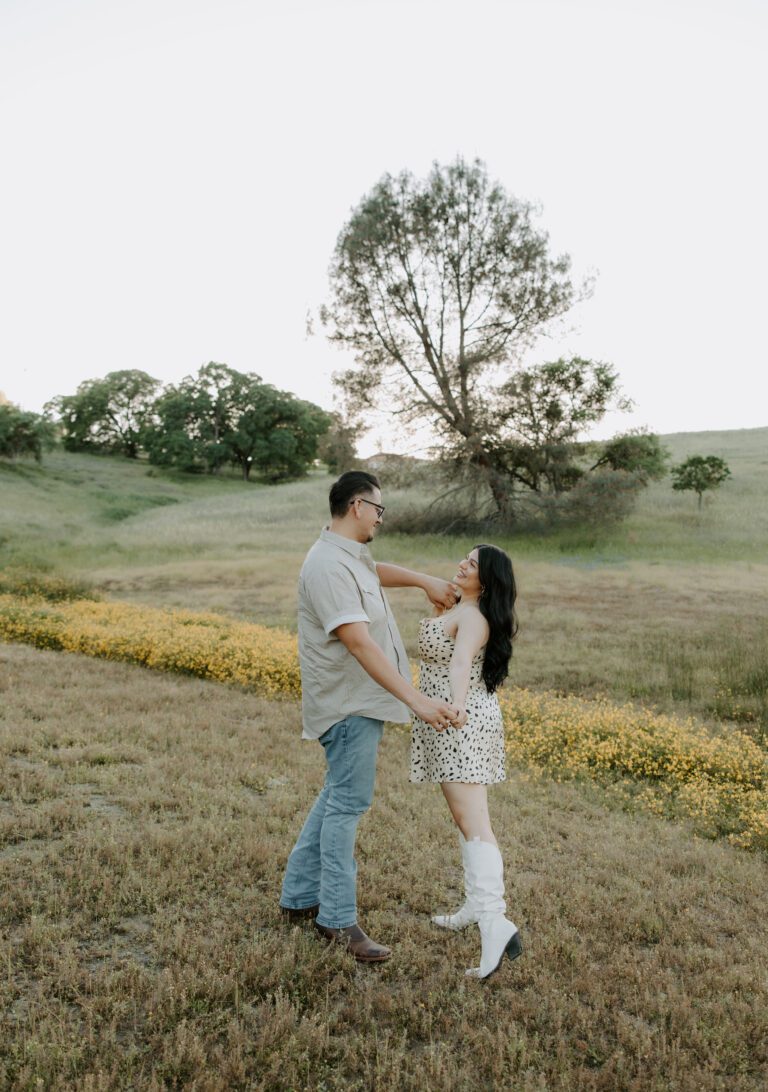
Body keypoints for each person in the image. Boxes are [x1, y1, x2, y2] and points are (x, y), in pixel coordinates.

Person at [279, 470, 462, 963]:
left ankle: (297, 897)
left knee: (336, 794)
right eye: (379, 510)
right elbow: (358, 643)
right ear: (358, 506)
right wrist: (419, 701)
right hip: (348, 702)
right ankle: (337, 920)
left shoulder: (346, 556)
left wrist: (422, 580)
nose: (381, 519)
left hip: (356, 700)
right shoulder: (327, 566)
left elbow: (375, 572)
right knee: (347, 805)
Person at [410, 543, 523, 979]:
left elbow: (460, 664)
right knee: (468, 821)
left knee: (474, 823)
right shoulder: (462, 606)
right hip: (456, 721)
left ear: (487, 579)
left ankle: (495, 922)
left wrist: (454, 706)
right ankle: (477, 906)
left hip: (461, 723)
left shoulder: (473, 619)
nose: (462, 564)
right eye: (465, 558)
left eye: (472, 564)